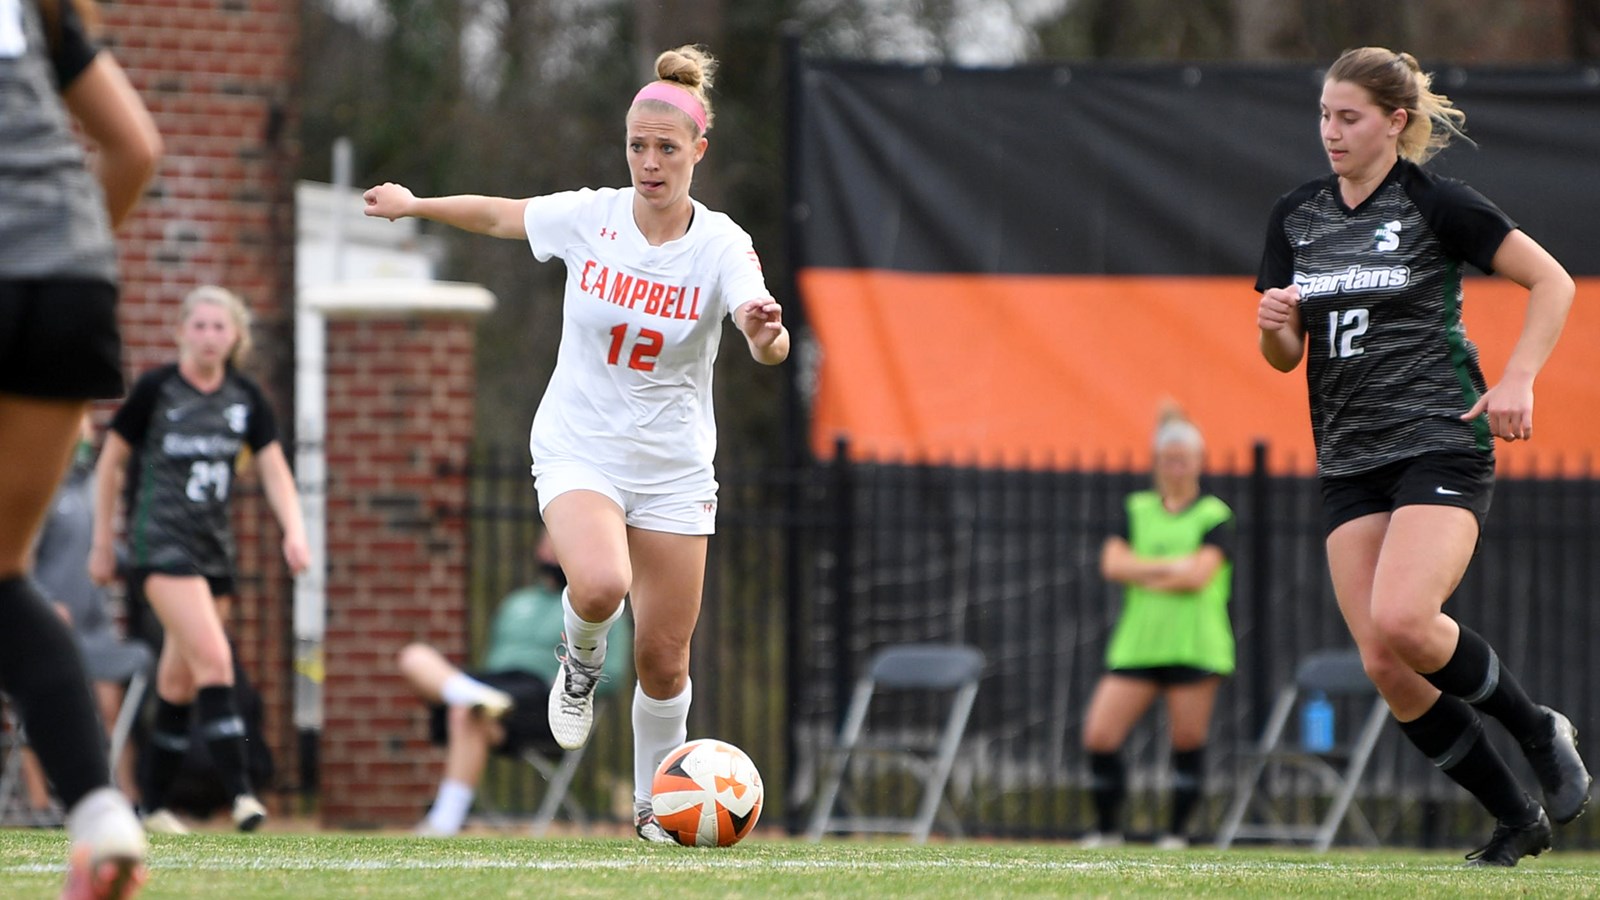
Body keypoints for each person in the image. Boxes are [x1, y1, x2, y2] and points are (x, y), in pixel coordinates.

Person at [364, 44, 788, 843]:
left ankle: (655, 810)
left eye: (667, 148)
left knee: (665, 659)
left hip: (673, 469)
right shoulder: (592, 216)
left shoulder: (722, 244)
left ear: (699, 150)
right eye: (637, 145)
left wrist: (767, 337)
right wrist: (417, 206)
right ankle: (580, 660)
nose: (649, 162)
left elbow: (761, 329)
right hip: (579, 446)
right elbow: (499, 214)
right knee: (598, 586)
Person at [1255, 46, 1590, 867]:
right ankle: (1516, 818)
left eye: (1349, 117)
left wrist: (1518, 378)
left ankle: (1537, 730)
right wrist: (1277, 329)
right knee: (1385, 659)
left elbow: (1553, 282)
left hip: (1439, 439)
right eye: (1324, 115)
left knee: (1406, 619)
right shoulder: (1297, 215)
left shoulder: (1435, 202)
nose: (1331, 132)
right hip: (1349, 458)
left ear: (1394, 122)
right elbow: (1285, 359)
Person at [0, 0, 161, 893]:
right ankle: (103, 819)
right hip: (70, 277)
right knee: (2, 576)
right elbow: (135, 148)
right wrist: (63, 258)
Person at [90, 284, 310, 837]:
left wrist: (295, 530)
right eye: (200, 325)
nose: (209, 336)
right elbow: (111, 462)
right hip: (160, 547)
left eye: (220, 327)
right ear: (181, 331)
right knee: (215, 659)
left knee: (180, 680)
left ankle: (151, 806)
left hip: (214, 553)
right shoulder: (157, 390)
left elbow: (274, 469)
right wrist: (102, 540)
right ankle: (242, 796)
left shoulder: (244, 397)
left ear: (236, 337)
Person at [398, 533, 631, 836]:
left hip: (543, 696)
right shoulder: (517, 602)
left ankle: (443, 822)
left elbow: (613, 673)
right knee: (414, 656)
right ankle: (474, 697)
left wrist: (566, 683)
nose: (553, 552)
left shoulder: (602, 610)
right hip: (496, 683)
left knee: (467, 713)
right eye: (548, 543)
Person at [1079, 408, 1234, 850]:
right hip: (1138, 644)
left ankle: (1177, 834)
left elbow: (1198, 576)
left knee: (1186, 739)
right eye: (1168, 459)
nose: (1175, 468)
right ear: (1157, 463)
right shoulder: (1137, 509)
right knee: (1100, 735)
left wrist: (1143, 569)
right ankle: (1107, 830)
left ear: (1199, 462)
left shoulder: (1213, 515)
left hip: (1194, 644)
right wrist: (1172, 566)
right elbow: (1113, 564)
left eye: (1183, 459)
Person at [21, 416, 153, 819]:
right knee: (43, 708)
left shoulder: (93, 491)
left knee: (111, 707)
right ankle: (40, 805)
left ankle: (126, 797)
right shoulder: (40, 490)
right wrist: (45, 603)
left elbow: (105, 552)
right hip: (50, 624)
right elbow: (20, 560)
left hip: (94, 626)